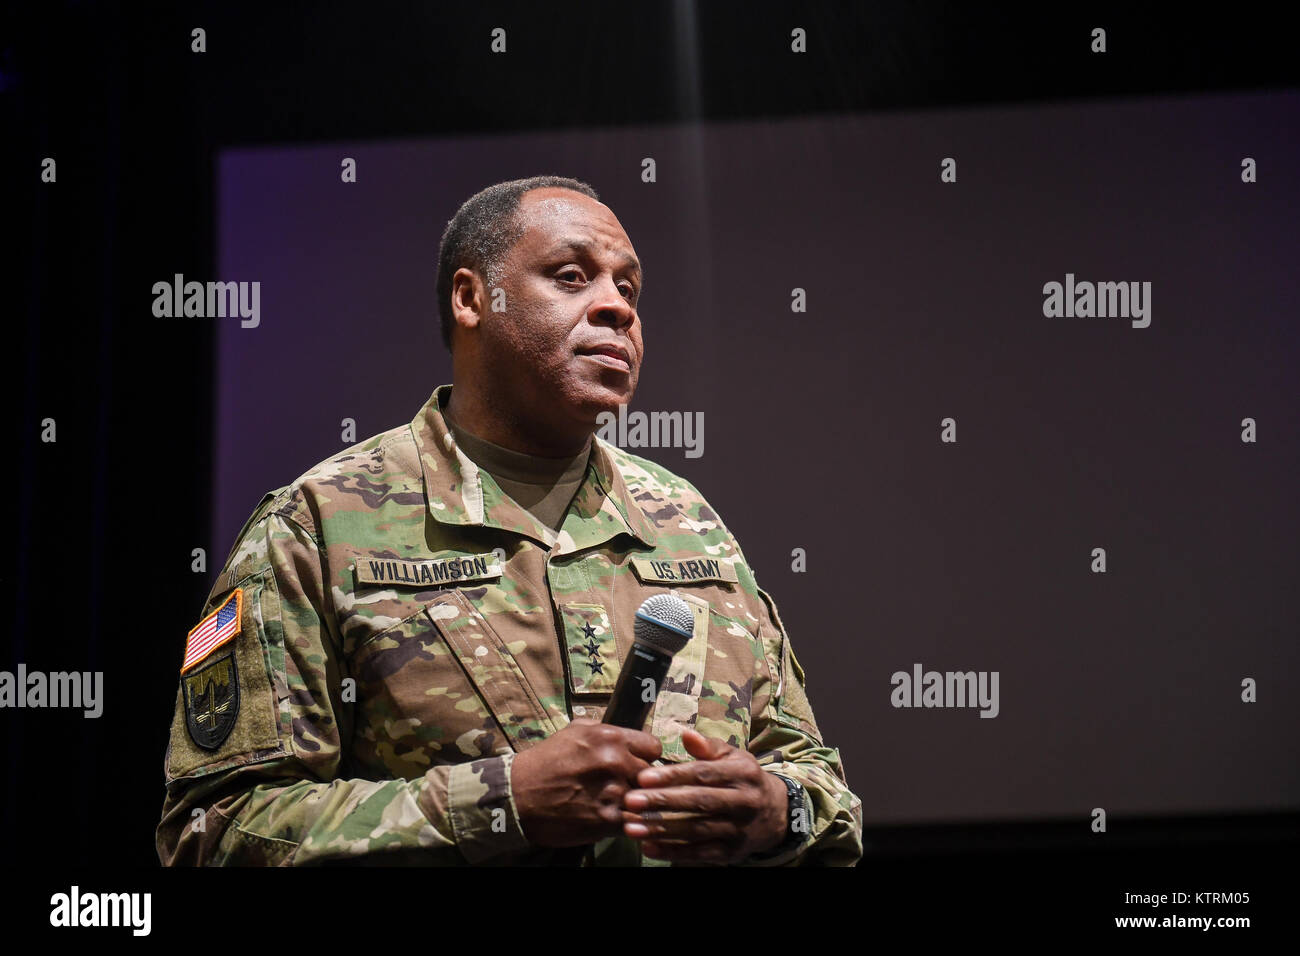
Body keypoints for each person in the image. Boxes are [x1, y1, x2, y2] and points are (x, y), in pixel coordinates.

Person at [156, 175, 863, 866]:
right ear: (472, 299)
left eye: (629, 287)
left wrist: (778, 811)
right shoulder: (320, 524)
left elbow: (825, 791)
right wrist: (502, 803)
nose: (618, 307)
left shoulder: (689, 523)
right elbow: (211, 831)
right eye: (570, 275)